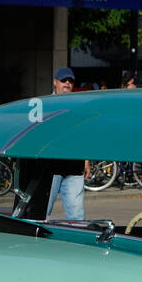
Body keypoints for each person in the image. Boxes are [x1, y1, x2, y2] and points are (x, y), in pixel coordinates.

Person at [47, 67, 88, 221]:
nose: (67, 83)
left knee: (76, 215)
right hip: (50, 167)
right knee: (43, 211)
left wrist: (86, 160)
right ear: (55, 82)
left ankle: (77, 243)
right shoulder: (45, 105)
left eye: (70, 81)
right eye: (64, 80)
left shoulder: (78, 106)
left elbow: (81, 134)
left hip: (74, 165)